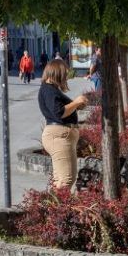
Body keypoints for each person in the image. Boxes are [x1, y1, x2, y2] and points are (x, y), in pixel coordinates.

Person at [39, 58, 89, 190]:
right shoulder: (49, 90)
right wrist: (76, 102)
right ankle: (59, 203)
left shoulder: (50, 89)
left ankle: (55, 202)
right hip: (59, 137)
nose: (66, 78)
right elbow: (59, 112)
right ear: (57, 73)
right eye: (64, 74)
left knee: (61, 180)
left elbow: (61, 110)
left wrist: (76, 106)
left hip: (61, 136)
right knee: (66, 180)